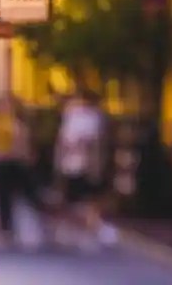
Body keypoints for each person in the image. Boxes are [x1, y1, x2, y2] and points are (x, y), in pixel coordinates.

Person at [54, 90, 116, 249]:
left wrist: (95, 164)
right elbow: (64, 142)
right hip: (71, 164)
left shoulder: (92, 118)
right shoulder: (70, 116)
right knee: (72, 200)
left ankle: (90, 231)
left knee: (89, 200)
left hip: (86, 165)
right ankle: (74, 230)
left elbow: (94, 143)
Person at [0, 96, 48, 248]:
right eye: (3, 105)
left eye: (8, 106)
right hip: (3, 164)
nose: (5, 109)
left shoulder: (20, 125)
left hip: (18, 164)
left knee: (30, 195)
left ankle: (43, 223)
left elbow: (26, 146)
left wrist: (25, 157)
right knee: (3, 198)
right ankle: (5, 229)